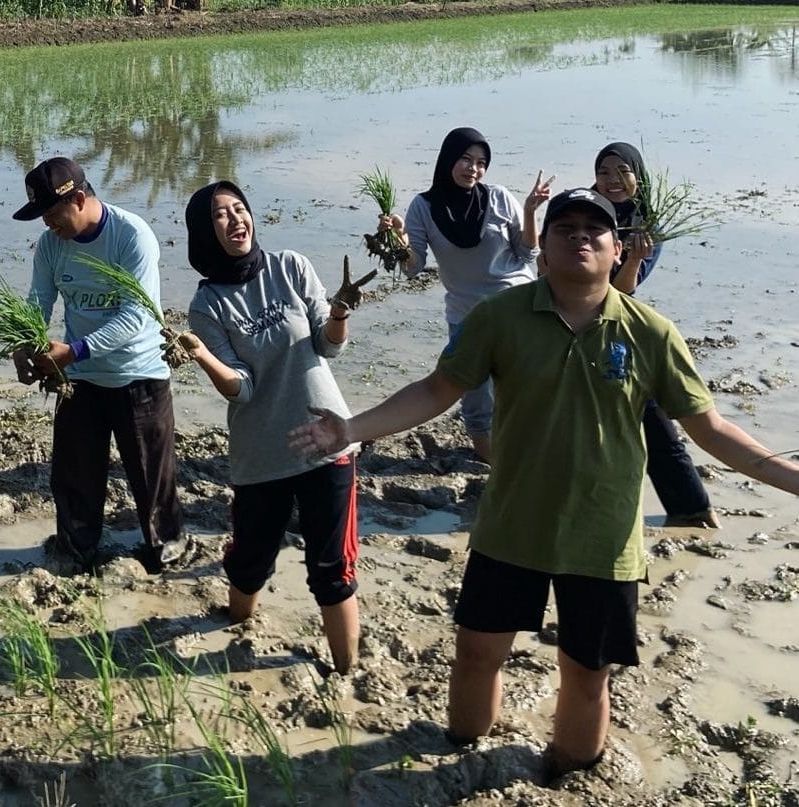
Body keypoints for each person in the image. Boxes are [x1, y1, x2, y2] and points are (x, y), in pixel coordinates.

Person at [290, 188, 799, 778]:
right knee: (477, 653)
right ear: (543, 248)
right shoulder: (499, 317)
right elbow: (436, 390)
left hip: (603, 537)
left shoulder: (651, 333)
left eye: (594, 229)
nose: (580, 236)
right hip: (513, 525)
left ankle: (572, 767)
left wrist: (789, 478)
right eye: (565, 228)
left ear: (617, 250)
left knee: (587, 672)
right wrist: (351, 428)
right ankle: (459, 747)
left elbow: (710, 429)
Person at [179, 180, 375, 673]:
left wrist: (339, 313)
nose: (235, 220)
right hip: (261, 453)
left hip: (327, 439)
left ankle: (345, 673)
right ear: (204, 231)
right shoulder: (207, 305)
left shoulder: (290, 266)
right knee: (249, 564)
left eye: (239, 208)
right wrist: (201, 356)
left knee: (333, 569)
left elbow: (328, 346)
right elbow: (241, 388)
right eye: (220, 215)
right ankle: (235, 621)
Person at [11, 156, 185, 572]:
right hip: (82, 379)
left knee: (151, 478)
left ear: (79, 199)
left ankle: (165, 551)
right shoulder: (51, 246)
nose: (47, 223)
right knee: (74, 477)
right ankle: (76, 551)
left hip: (137, 374)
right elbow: (38, 303)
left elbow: (136, 317)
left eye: (51, 212)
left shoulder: (131, 236)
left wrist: (73, 351)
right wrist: (25, 344)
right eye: (41, 215)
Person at [378, 126, 550, 460]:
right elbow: (413, 267)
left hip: (517, 306)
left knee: (526, 387)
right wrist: (398, 239)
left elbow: (527, 252)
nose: (473, 168)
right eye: (466, 159)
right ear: (448, 159)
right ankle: (492, 458)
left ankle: (531, 453)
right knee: (477, 398)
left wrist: (530, 211)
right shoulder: (423, 207)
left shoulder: (498, 197)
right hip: (466, 315)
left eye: (481, 162)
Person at [592, 141, 719, 529]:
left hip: (616, 325)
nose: (612, 180)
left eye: (622, 171)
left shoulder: (647, 225)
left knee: (649, 411)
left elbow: (623, 291)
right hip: (565, 319)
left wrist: (633, 258)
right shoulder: (584, 211)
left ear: (639, 177)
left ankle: (691, 507)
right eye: (603, 172)